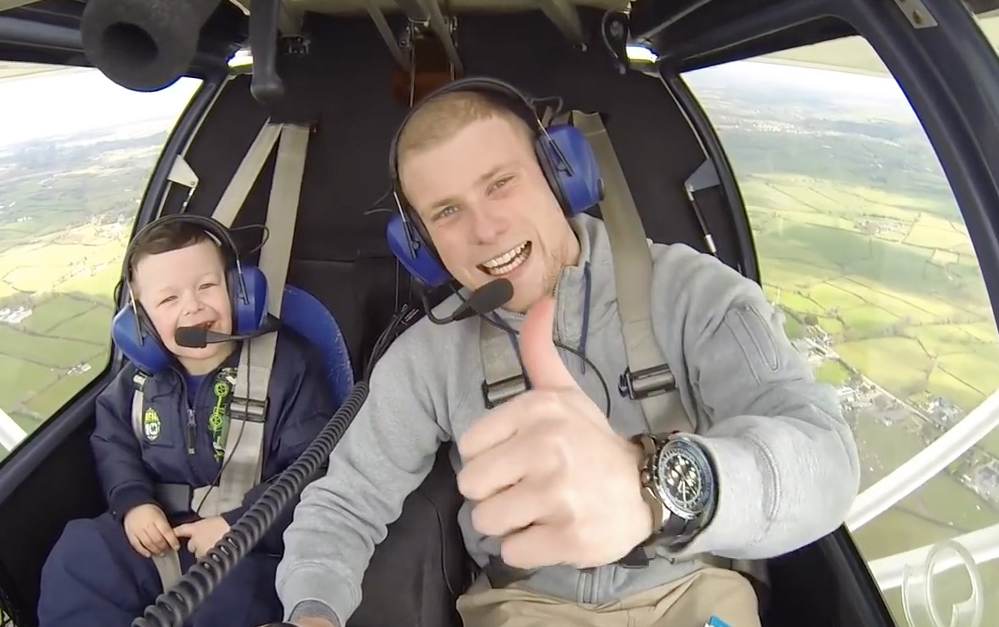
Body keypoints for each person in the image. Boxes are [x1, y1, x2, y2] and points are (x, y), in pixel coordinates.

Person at [273, 79, 860, 627]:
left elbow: (826, 460)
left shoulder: (698, 295)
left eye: (501, 183)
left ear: (561, 177)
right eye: (447, 212)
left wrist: (658, 489)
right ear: (420, 246)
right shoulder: (427, 357)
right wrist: (313, 611)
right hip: (527, 605)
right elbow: (345, 504)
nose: (486, 229)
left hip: (690, 592)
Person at [37, 216, 338, 627]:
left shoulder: (288, 368)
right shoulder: (136, 383)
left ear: (239, 291)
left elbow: (311, 471)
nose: (193, 306)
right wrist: (133, 504)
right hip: (162, 534)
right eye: (168, 300)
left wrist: (239, 526)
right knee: (79, 554)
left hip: (251, 545)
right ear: (140, 323)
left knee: (229, 604)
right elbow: (114, 444)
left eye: (207, 287)